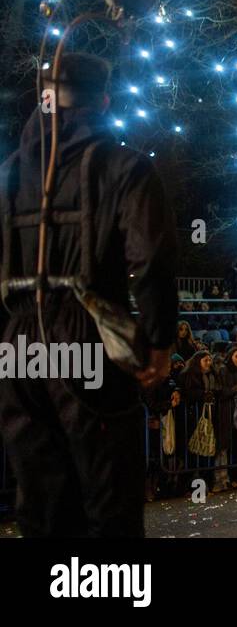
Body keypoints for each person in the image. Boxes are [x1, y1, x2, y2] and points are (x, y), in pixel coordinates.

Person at [0, 53, 178, 536]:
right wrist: (158, 343)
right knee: (108, 501)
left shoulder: (12, 171)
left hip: (19, 347)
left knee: (39, 503)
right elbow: (152, 261)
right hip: (87, 333)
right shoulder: (124, 168)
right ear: (103, 101)